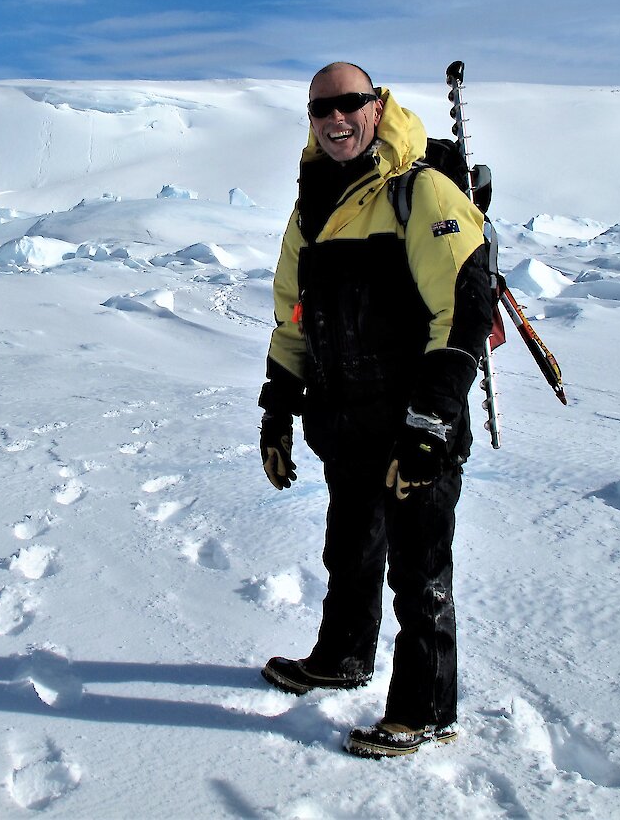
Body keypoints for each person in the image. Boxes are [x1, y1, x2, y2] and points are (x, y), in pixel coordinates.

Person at [257, 61, 493, 759]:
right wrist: (277, 409)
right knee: (349, 554)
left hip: (415, 425)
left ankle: (424, 707)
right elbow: (291, 318)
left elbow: (462, 310)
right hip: (347, 424)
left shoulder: (419, 192)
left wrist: (431, 425)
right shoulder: (312, 208)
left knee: (419, 572)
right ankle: (342, 657)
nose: (336, 118)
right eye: (321, 108)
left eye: (350, 103)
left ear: (376, 105)